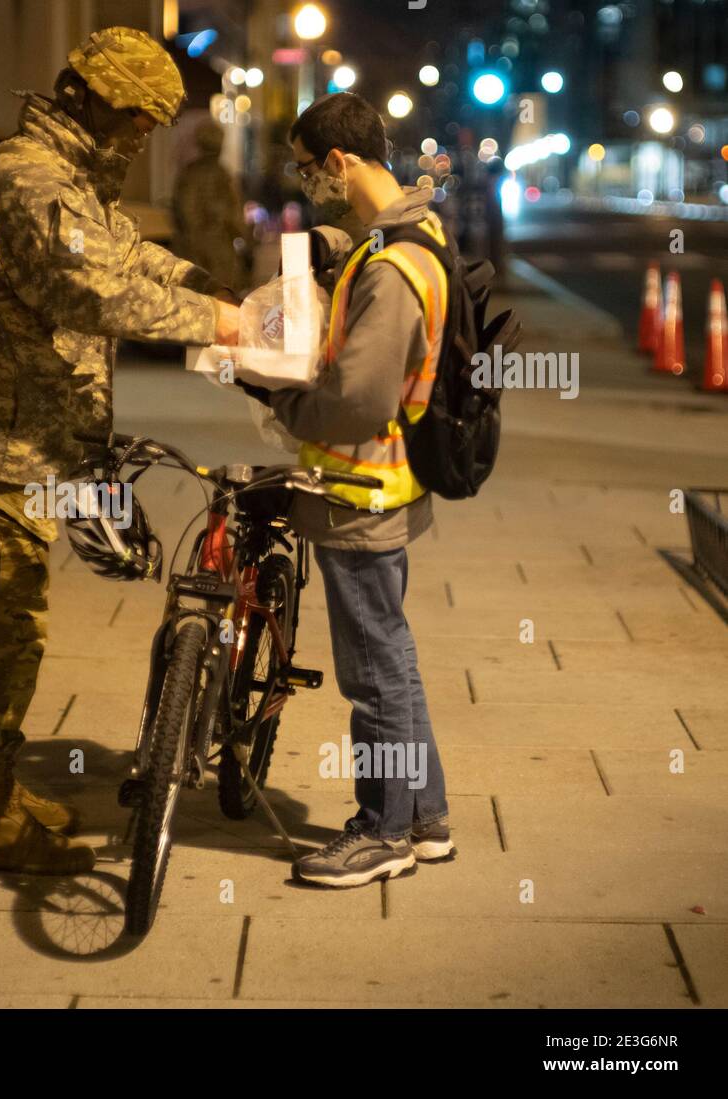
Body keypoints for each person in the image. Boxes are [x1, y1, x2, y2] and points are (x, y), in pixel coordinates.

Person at [0, 27, 242, 875]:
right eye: (139, 119)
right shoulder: (28, 178)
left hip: (24, 439)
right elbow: (85, 287)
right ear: (96, 100)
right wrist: (221, 325)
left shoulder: (67, 179)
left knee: (9, 624)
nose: (144, 136)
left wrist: (204, 287)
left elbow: (121, 253)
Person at [265, 92, 454, 886]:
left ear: (340, 161)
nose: (308, 184)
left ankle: (382, 832)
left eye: (310, 170)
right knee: (393, 655)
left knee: (373, 670)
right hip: (382, 486)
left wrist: (275, 391)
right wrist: (334, 245)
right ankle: (425, 814)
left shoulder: (393, 267)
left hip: (360, 492)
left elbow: (359, 400)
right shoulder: (412, 231)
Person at [173, 119, 246, 292]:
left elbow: (183, 208)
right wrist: (239, 232)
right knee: (220, 290)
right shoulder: (222, 174)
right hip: (216, 241)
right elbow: (233, 211)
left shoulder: (189, 173)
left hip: (194, 241)